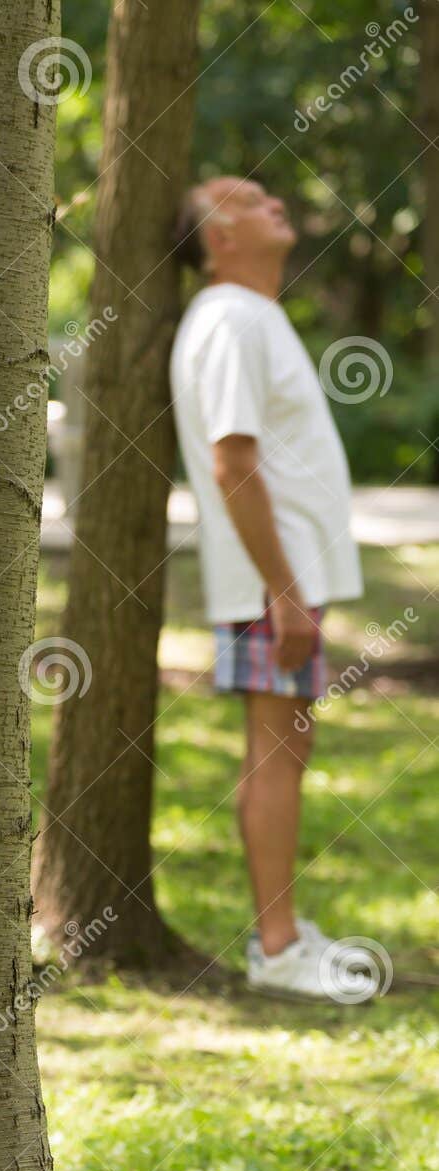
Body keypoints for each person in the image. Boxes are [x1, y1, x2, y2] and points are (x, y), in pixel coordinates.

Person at [170, 176, 376, 1001]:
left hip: (279, 580)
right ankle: (279, 948)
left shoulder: (251, 316)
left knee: (286, 746)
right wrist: (283, 591)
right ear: (216, 238)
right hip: (269, 583)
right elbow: (231, 460)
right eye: (244, 198)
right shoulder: (226, 319)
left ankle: (280, 937)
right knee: (277, 752)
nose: (269, 201)